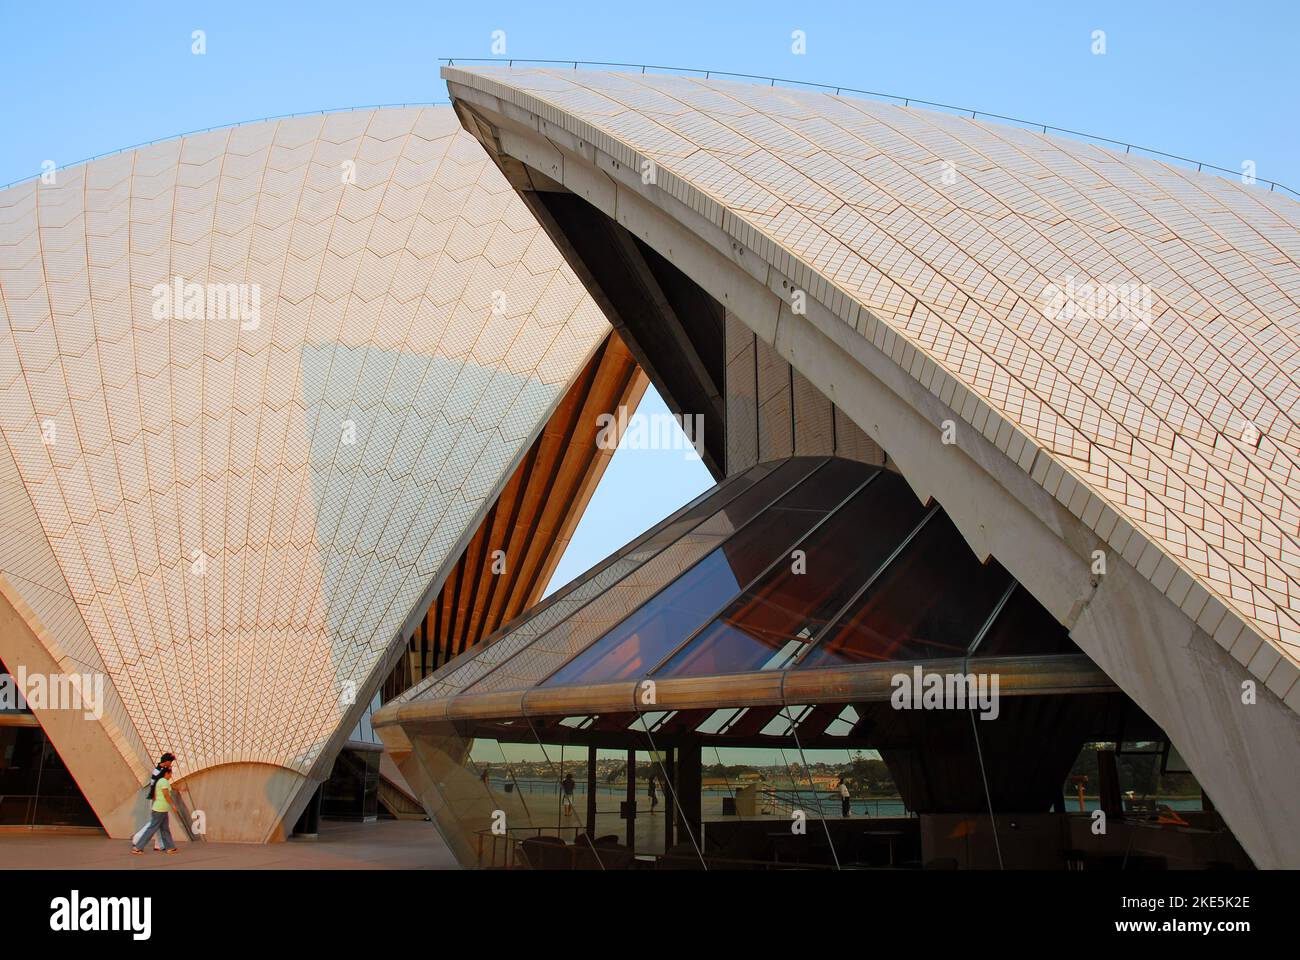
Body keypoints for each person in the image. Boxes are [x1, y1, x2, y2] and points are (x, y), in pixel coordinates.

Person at [131, 757, 179, 855]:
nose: (171, 776)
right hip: (160, 809)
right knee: (152, 828)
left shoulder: (160, 781)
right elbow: (166, 795)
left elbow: (156, 795)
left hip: (161, 809)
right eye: (170, 774)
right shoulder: (164, 782)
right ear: (167, 773)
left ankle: (170, 847)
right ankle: (138, 847)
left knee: (165, 828)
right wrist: (173, 805)